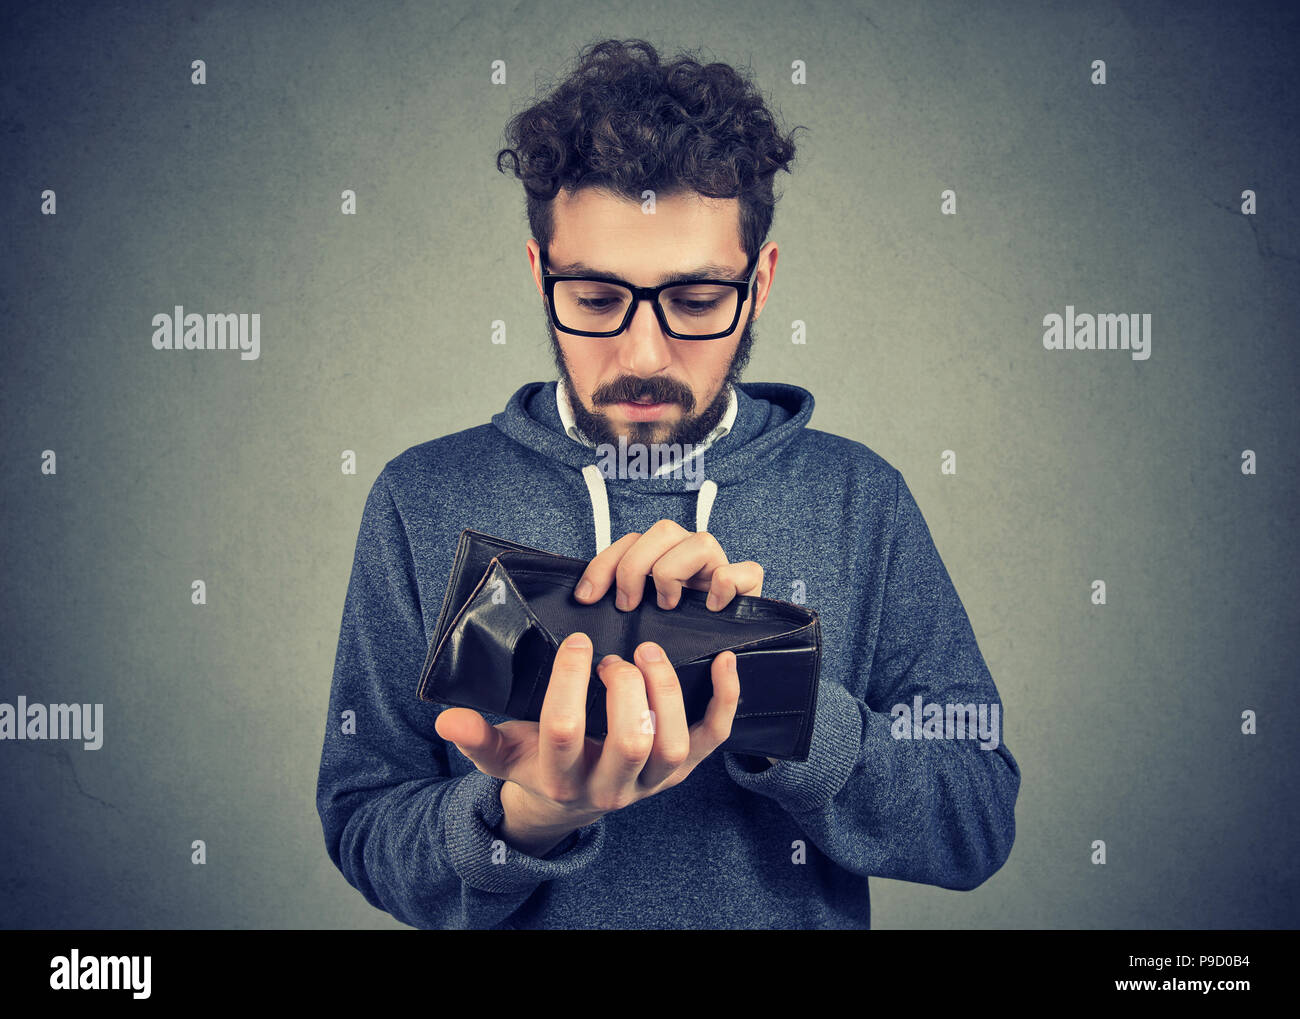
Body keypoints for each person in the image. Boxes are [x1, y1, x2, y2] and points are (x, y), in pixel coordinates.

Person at [315, 37, 1020, 929]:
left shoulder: (861, 499)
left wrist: (765, 684)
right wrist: (525, 820)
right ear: (541, 279)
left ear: (759, 284)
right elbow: (365, 822)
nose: (643, 355)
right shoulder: (420, 497)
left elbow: (977, 814)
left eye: (694, 302)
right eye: (598, 299)